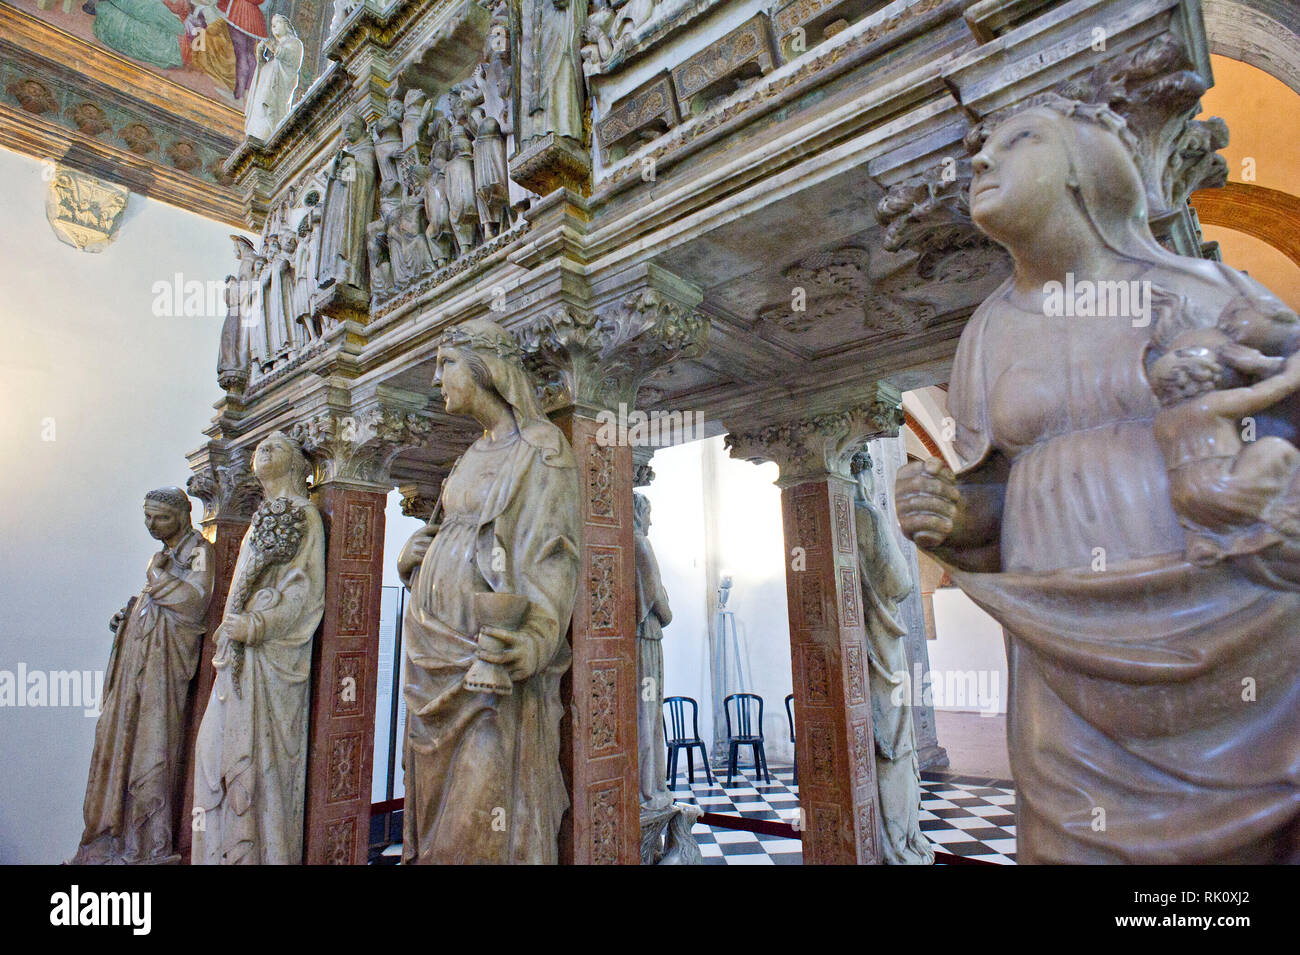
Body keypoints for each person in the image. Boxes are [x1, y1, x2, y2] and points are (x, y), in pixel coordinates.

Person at [894, 94, 1300, 863]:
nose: (980, 159)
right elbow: (995, 492)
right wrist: (949, 511)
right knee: (1071, 844)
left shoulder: (1200, 292)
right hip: (1060, 646)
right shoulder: (989, 329)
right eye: (981, 149)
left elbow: (1283, 410)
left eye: (1016, 140)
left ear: (1083, 174)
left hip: (1220, 616)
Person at [397, 318, 580, 864]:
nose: (437, 379)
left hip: (488, 658)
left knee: (482, 801)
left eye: (446, 363)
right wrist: (412, 559)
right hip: (430, 651)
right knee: (431, 800)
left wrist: (536, 640)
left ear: (485, 369)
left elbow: (555, 555)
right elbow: (449, 535)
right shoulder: (470, 453)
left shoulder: (541, 448)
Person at [192, 432, 325, 864]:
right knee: (210, 755)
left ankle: (259, 855)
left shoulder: (303, 515)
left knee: (254, 767)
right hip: (236, 657)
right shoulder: (261, 517)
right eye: (260, 446)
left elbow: (304, 592)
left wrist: (257, 624)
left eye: (276, 448)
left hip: (268, 662)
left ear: (297, 465)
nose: (263, 450)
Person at [72, 487, 213, 864]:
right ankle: (110, 837)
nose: (152, 525)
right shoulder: (168, 555)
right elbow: (157, 602)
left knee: (150, 753)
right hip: (136, 669)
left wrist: (154, 575)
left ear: (183, 516)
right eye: (147, 517)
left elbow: (195, 602)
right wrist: (130, 614)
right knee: (115, 741)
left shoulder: (197, 551)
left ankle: (146, 843)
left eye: (161, 518)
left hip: (160, 674)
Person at [850, 452, 933, 865]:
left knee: (878, 739)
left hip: (858, 647)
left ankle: (883, 835)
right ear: (864, 475)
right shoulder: (865, 515)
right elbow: (899, 583)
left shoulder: (832, 516)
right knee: (894, 742)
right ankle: (895, 839)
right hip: (881, 647)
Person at [633, 492, 672, 810]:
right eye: (648, 513)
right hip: (646, 638)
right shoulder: (641, 544)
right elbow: (660, 602)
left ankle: (646, 785)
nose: (651, 521)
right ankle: (647, 789)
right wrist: (667, 608)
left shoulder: (624, 543)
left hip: (637, 639)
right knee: (647, 713)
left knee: (644, 712)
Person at [244, 14, 302, 141]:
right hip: (261, 100)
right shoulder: (273, 57)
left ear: (287, 26)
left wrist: (272, 45)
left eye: (278, 22)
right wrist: (260, 59)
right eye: (272, 24)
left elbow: (287, 58)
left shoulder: (295, 44)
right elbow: (266, 73)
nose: (274, 26)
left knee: (266, 131)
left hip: (273, 102)